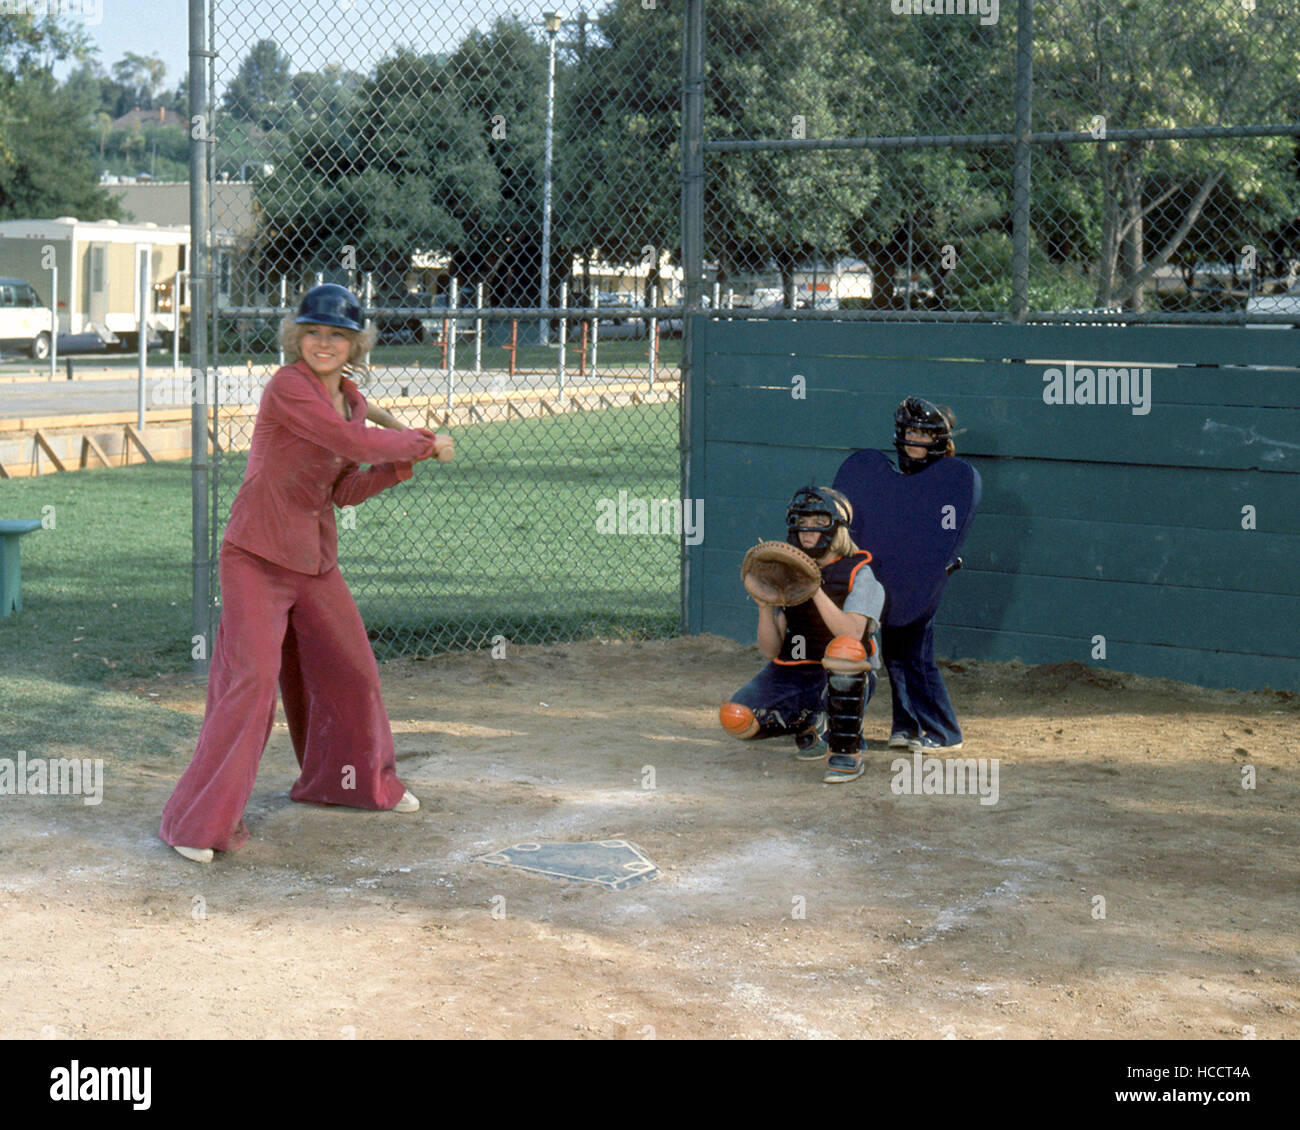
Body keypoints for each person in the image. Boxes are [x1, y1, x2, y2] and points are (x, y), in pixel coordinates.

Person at [160, 283, 451, 863]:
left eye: (338, 335)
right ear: (298, 336)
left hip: (314, 560)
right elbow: (341, 438)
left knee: (353, 670)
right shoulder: (288, 387)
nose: (324, 343)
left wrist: (395, 466)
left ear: (355, 344)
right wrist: (421, 443)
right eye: (314, 332)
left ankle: (349, 784)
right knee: (250, 684)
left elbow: (343, 487)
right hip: (257, 557)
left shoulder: (354, 402)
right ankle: (195, 824)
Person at [719, 485, 885, 783]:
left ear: (838, 528)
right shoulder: (788, 570)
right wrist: (765, 607)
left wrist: (814, 588)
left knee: (844, 649)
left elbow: (851, 632)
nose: (808, 532)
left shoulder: (859, 572)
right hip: (796, 669)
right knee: (738, 718)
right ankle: (808, 723)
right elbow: (771, 651)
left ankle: (846, 750)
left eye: (819, 522)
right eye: (801, 522)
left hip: (842, 674)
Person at [883, 397, 967, 754]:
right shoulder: (896, 477)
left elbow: (946, 531)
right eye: (910, 432)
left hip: (923, 579)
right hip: (890, 575)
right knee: (893, 653)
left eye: (924, 434)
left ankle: (945, 731)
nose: (915, 440)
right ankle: (907, 724)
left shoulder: (950, 480)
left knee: (917, 654)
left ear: (939, 440)